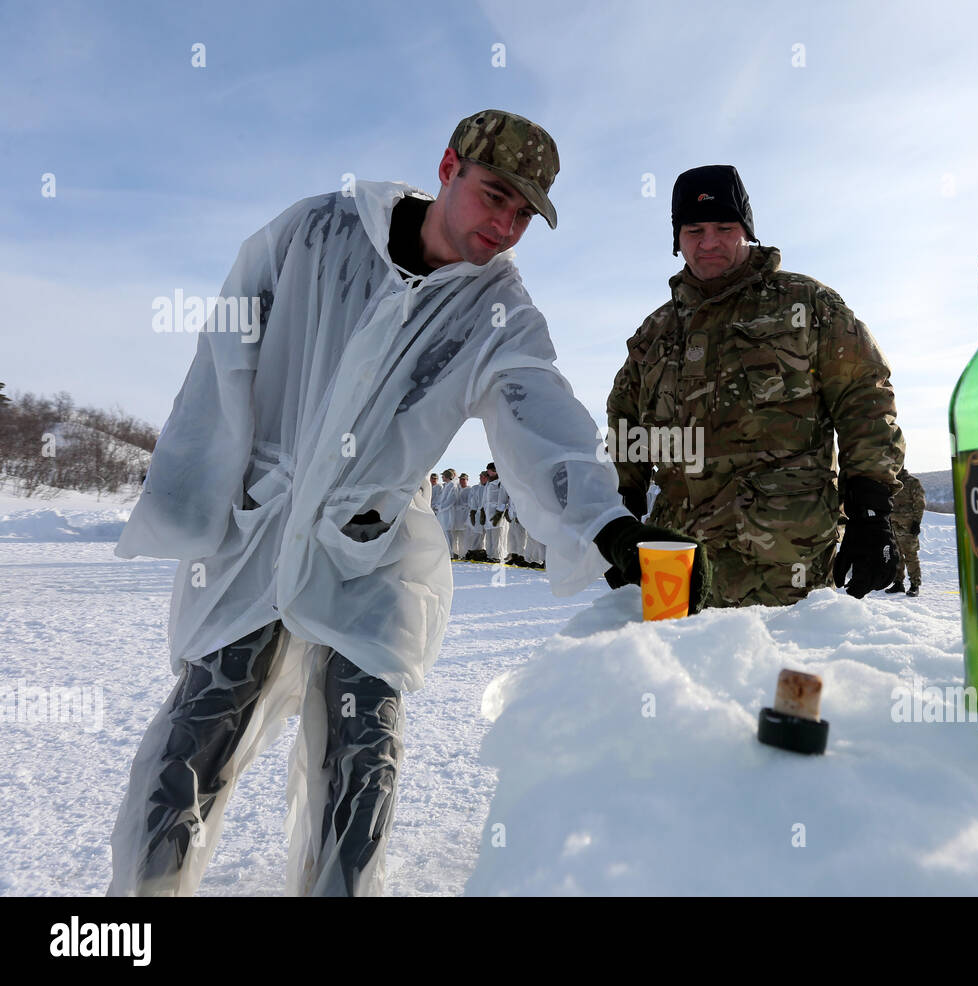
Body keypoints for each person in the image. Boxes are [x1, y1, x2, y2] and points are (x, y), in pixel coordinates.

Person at [108, 109, 707, 897]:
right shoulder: (319, 234)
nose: (507, 224)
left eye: (526, 214)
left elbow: (542, 416)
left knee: (364, 760)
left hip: (372, 549)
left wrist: (607, 522)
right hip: (260, 535)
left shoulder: (499, 311)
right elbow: (224, 352)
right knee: (194, 743)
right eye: (497, 195)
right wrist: (198, 496)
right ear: (447, 168)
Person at [606, 165, 904, 607]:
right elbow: (625, 419)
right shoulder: (656, 332)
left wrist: (871, 513)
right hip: (676, 559)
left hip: (781, 560)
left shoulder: (807, 305)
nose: (709, 242)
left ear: (747, 230)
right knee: (671, 675)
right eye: (694, 229)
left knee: (779, 675)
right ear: (677, 238)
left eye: (725, 227)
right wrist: (620, 511)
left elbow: (865, 398)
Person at [885, 467, 925, 596]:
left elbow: (920, 503)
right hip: (892, 524)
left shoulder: (912, 482)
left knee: (910, 555)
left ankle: (915, 584)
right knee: (895, 554)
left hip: (907, 525)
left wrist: (917, 522)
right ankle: (898, 583)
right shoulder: (889, 481)